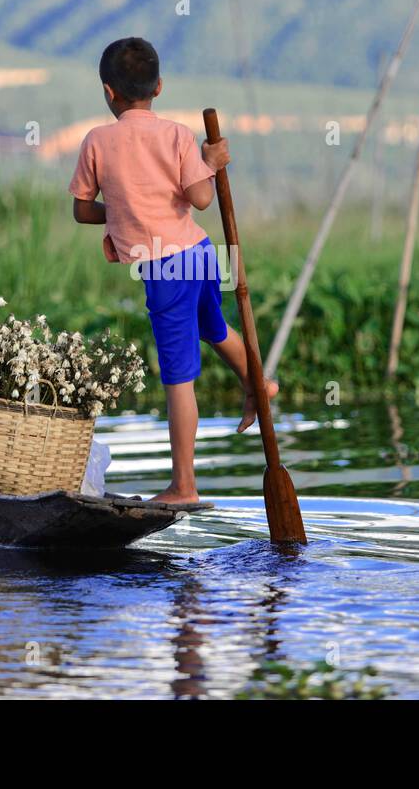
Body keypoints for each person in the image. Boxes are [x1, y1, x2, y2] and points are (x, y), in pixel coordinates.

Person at [69, 37, 276, 504]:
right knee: (215, 326)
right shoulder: (179, 135)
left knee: (178, 378)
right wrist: (207, 163)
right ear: (158, 87)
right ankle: (258, 384)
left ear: (108, 92)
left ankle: (184, 485)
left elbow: (82, 210)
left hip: (165, 269)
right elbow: (201, 199)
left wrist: (121, 209)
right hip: (199, 251)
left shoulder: (97, 142)